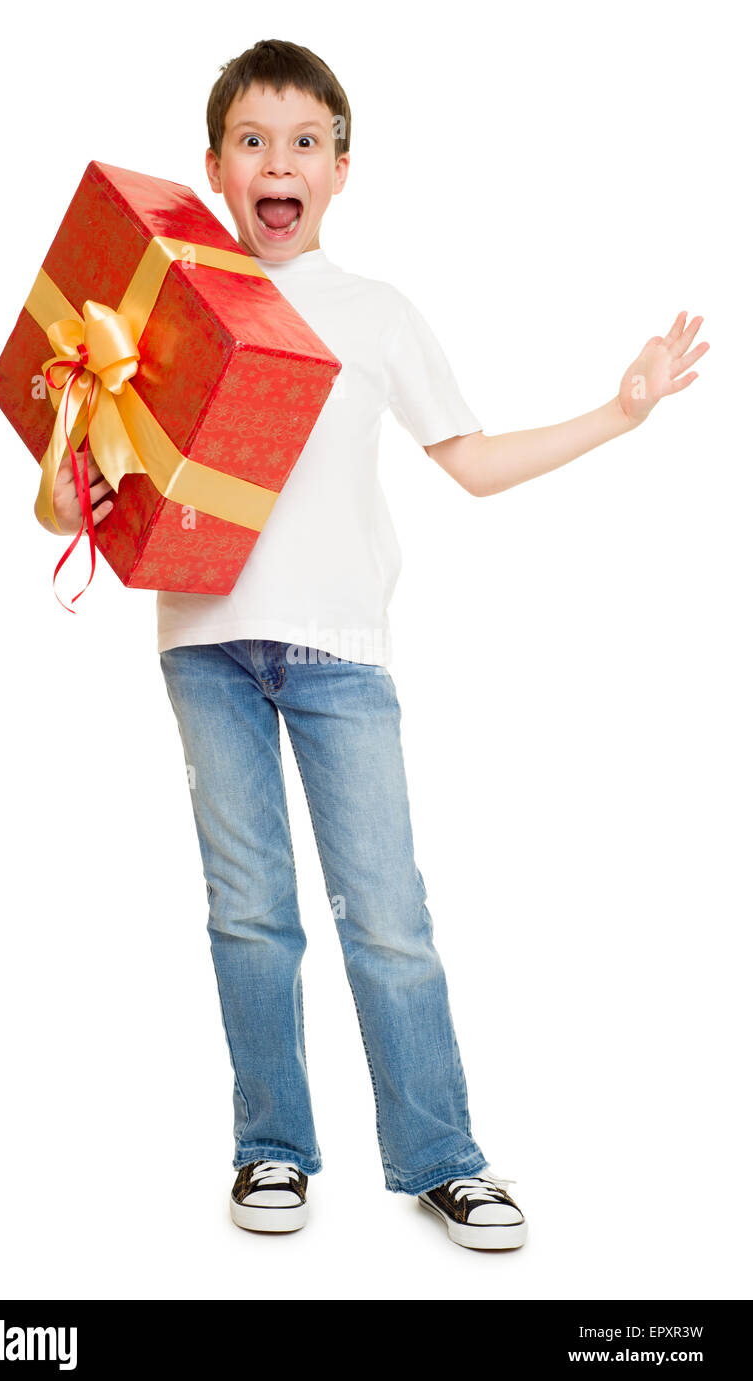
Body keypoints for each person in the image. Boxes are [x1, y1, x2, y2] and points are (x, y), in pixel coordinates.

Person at [41, 39, 708, 1252]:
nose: (276, 161)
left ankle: (441, 1156)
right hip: (203, 645)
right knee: (248, 908)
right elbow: (75, 498)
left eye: (304, 141)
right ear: (213, 167)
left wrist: (620, 414)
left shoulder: (374, 313)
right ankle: (271, 1148)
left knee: (386, 911)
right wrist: (74, 466)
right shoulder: (160, 316)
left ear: (342, 170)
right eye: (251, 141)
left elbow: (472, 465)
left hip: (342, 652)